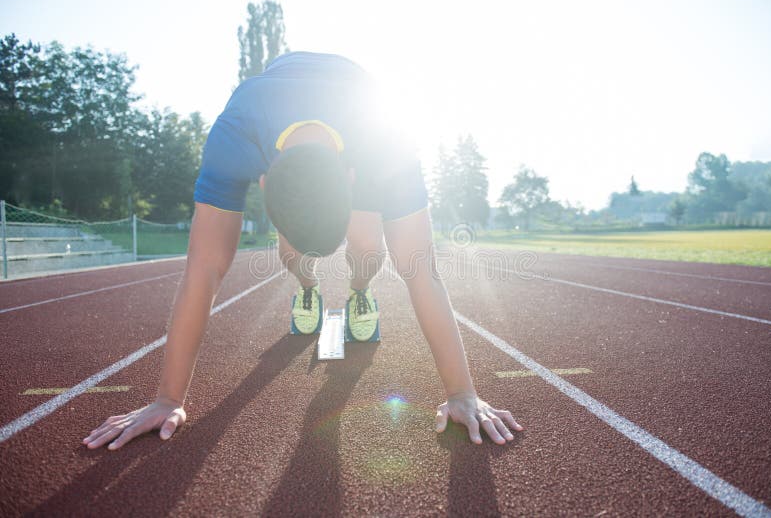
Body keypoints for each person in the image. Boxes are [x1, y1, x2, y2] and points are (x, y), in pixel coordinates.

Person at [83, 51, 522, 451]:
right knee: (293, 253)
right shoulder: (233, 138)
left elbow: (422, 269)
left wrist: (462, 392)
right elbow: (203, 270)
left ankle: (360, 291)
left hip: (357, 107)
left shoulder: (388, 140)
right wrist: (167, 398)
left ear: (353, 181)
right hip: (278, 113)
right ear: (263, 184)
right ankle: (307, 288)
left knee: (368, 246)